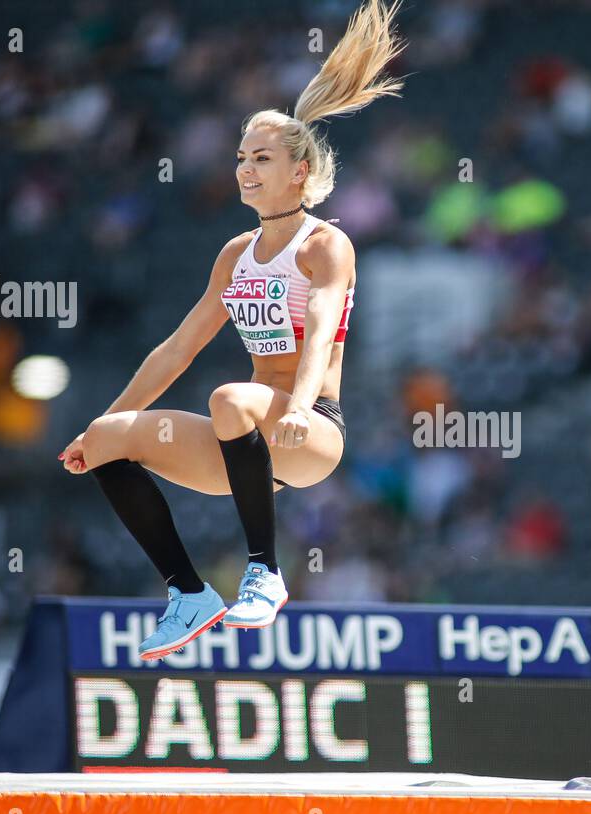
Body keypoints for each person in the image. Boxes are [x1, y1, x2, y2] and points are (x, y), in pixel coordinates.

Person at [59, 0, 406, 661]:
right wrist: (105, 420)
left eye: (263, 158)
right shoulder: (234, 254)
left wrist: (301, 408)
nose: (246, 168)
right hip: (244, 447)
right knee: (107, 441)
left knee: (228, 397)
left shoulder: (325, 246)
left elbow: (324, 323)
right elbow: (178, 347)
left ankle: (264, 572)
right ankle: (187, 594)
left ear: (299, 171)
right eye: (242, 157)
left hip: (309, 430)